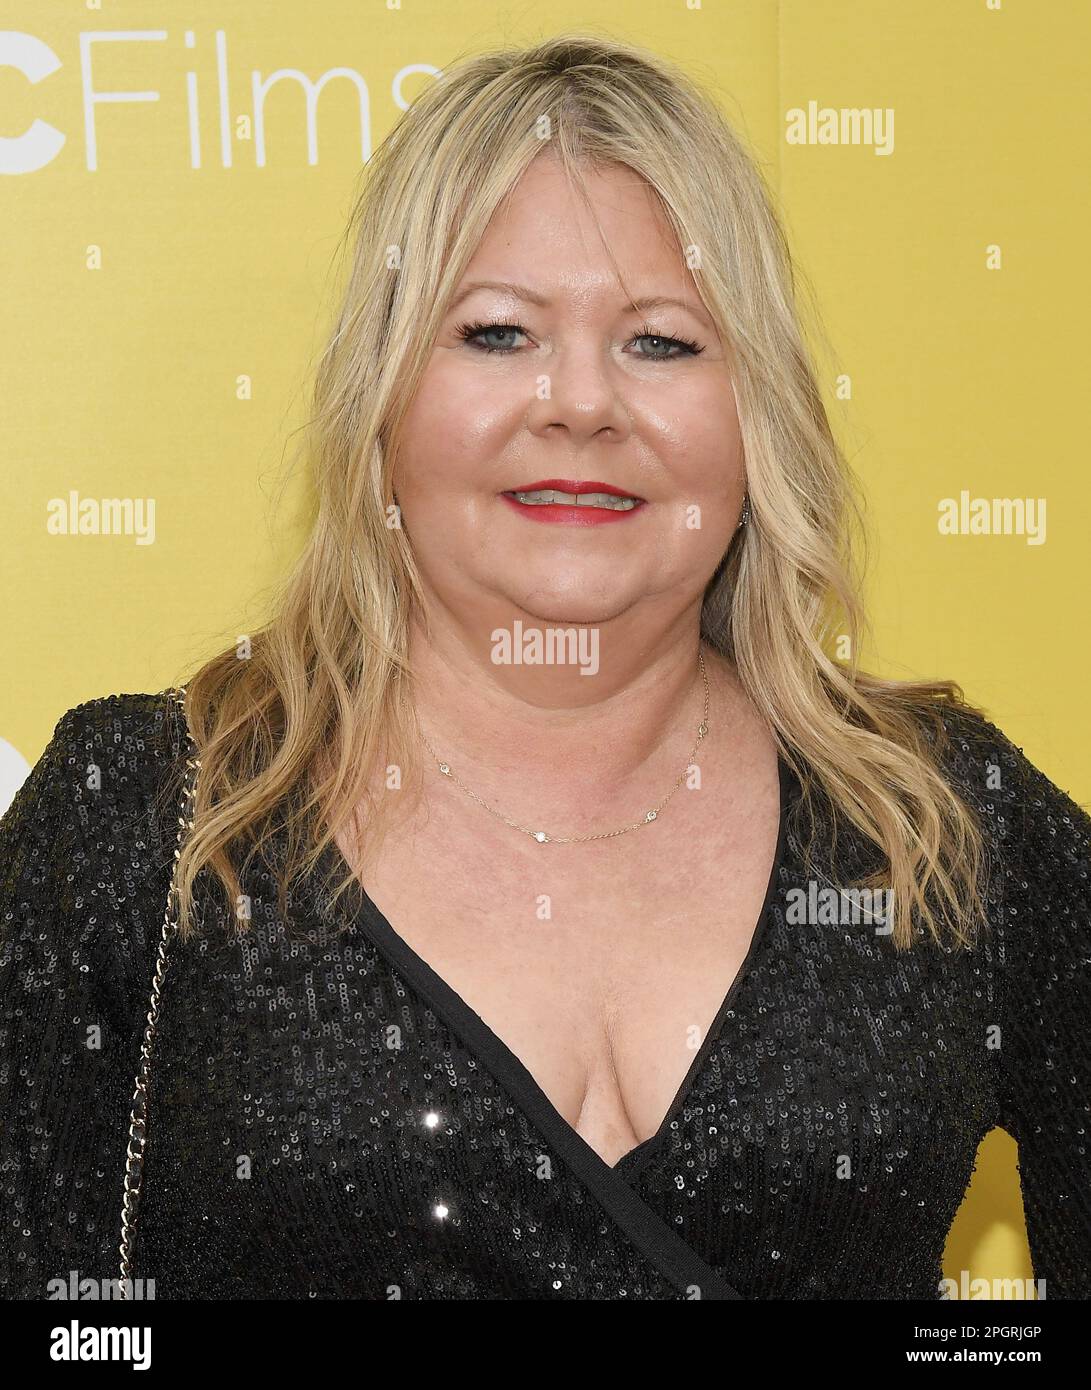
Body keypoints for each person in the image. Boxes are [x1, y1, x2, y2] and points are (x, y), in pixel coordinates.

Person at [1, 32, 1088, 1302]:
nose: (579, 402)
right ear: (383, 397)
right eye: (499, 331)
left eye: (661, 343)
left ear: (758, 416)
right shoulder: (140, 813)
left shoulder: (938, 818)